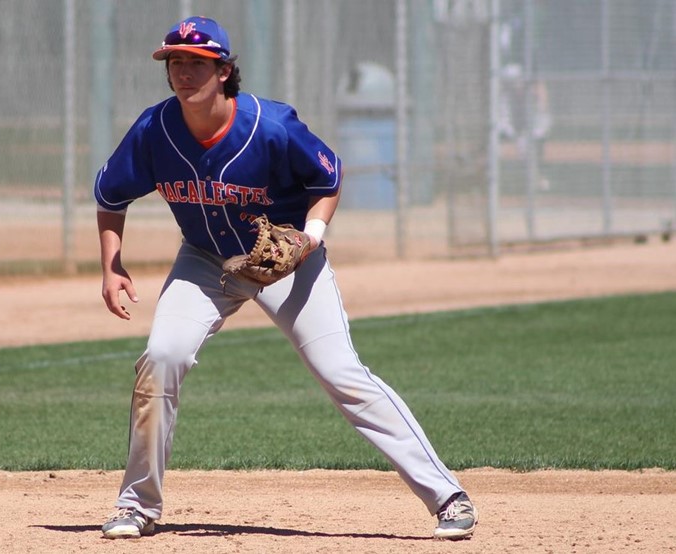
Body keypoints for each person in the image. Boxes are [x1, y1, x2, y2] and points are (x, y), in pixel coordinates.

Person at [94, 15, 478, 541]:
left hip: (287, 260)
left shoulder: (268, 126)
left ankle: (448, 496)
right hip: (205, 262)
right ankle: (136, 505)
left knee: (342, 373)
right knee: (161, 358)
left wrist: (312, 236)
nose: (184, 72)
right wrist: (111, 266)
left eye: (197, 63)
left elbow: (330, 176)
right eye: (175, 62)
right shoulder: (154, 130)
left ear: (224, 70)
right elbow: (110, 196)